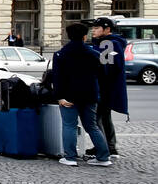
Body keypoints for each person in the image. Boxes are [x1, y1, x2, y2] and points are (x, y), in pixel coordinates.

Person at [51, 22, 111, 166]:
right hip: (90, 94)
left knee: (69, 125)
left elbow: (57, 78)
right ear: (85, 37)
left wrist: (59, 97)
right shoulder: (95, 54)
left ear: (68, 36)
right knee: (92, 126)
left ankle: (70, 157)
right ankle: (104, 157)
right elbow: (103, 75)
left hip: (69, 95)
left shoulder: (60, 54)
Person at [89, 17, 129, 160]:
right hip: (106, 87)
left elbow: (105, 68)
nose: (93, 30)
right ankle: (109, 146)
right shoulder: (106, 43)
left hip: (104, 88)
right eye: (93, 28)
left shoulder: (108, 43)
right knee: (104, 117)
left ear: (107, 30)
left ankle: (104, 146)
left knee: (97, 118)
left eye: (97, 28)